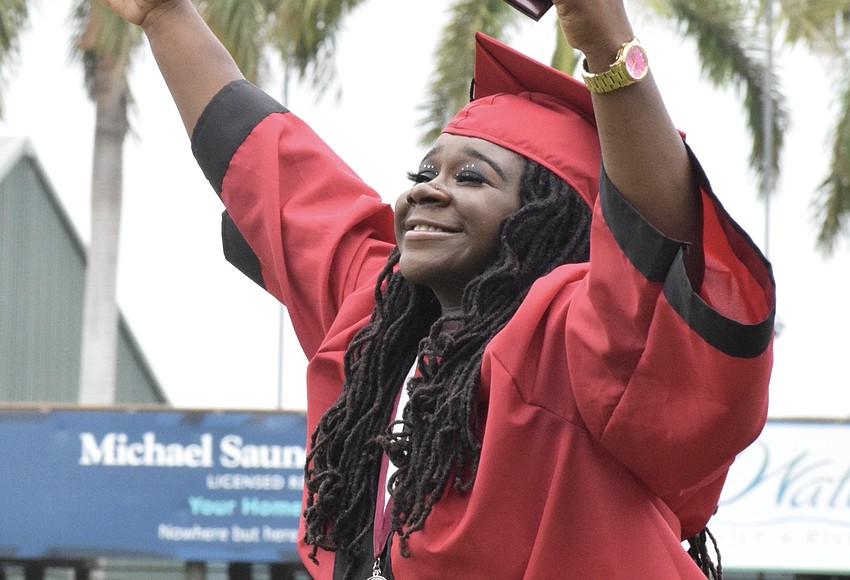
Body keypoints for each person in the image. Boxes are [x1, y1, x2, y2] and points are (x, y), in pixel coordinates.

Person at [101, 0, 776, 578]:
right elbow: (271, 169)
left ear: (549, 224)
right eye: (427, 170)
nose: (427, 189)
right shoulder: (379, 319)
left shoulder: (572, 345)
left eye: (471, 178)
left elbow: (653, 247)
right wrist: (166, 16)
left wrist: (604, 43)